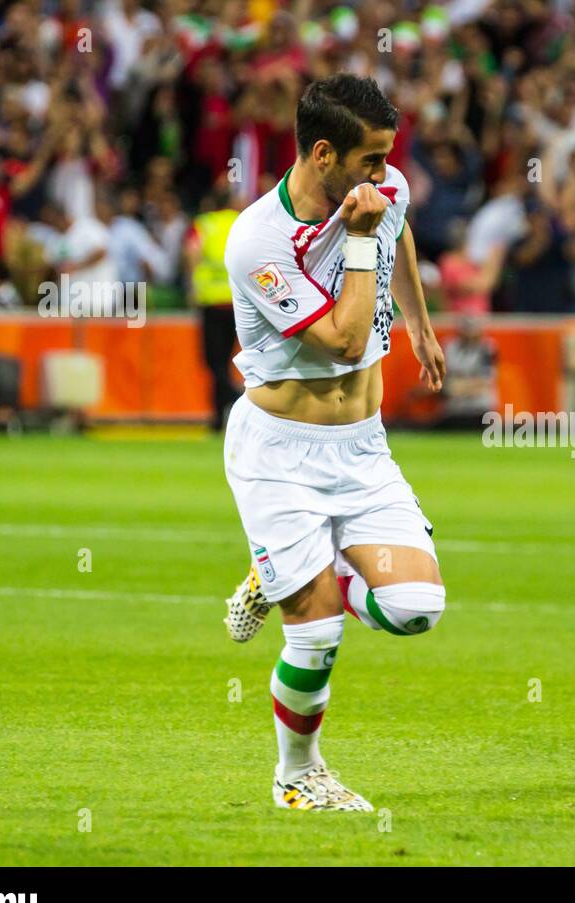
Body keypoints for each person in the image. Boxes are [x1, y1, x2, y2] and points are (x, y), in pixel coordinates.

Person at [219, 75, 448, 813]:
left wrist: (418, 321)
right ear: (324, 155)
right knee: (315, 634)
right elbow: (346, 343)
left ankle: (285, 576)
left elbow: (399, 225)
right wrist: (355, 237)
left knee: (416, 607)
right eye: (371, 161)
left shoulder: (383, 194)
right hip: (280, 454)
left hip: (362, 449)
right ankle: (298, 776)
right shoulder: (258, 240)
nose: (385, 177)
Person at [184, 185, 246, 430]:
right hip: (237, 300)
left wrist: (191, 286)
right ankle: (217, 418)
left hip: (210, 300)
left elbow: (191, 252)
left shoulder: (204, 224)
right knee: (224, 360)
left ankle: (236, 396)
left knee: (213, 362)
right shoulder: (241, 221)